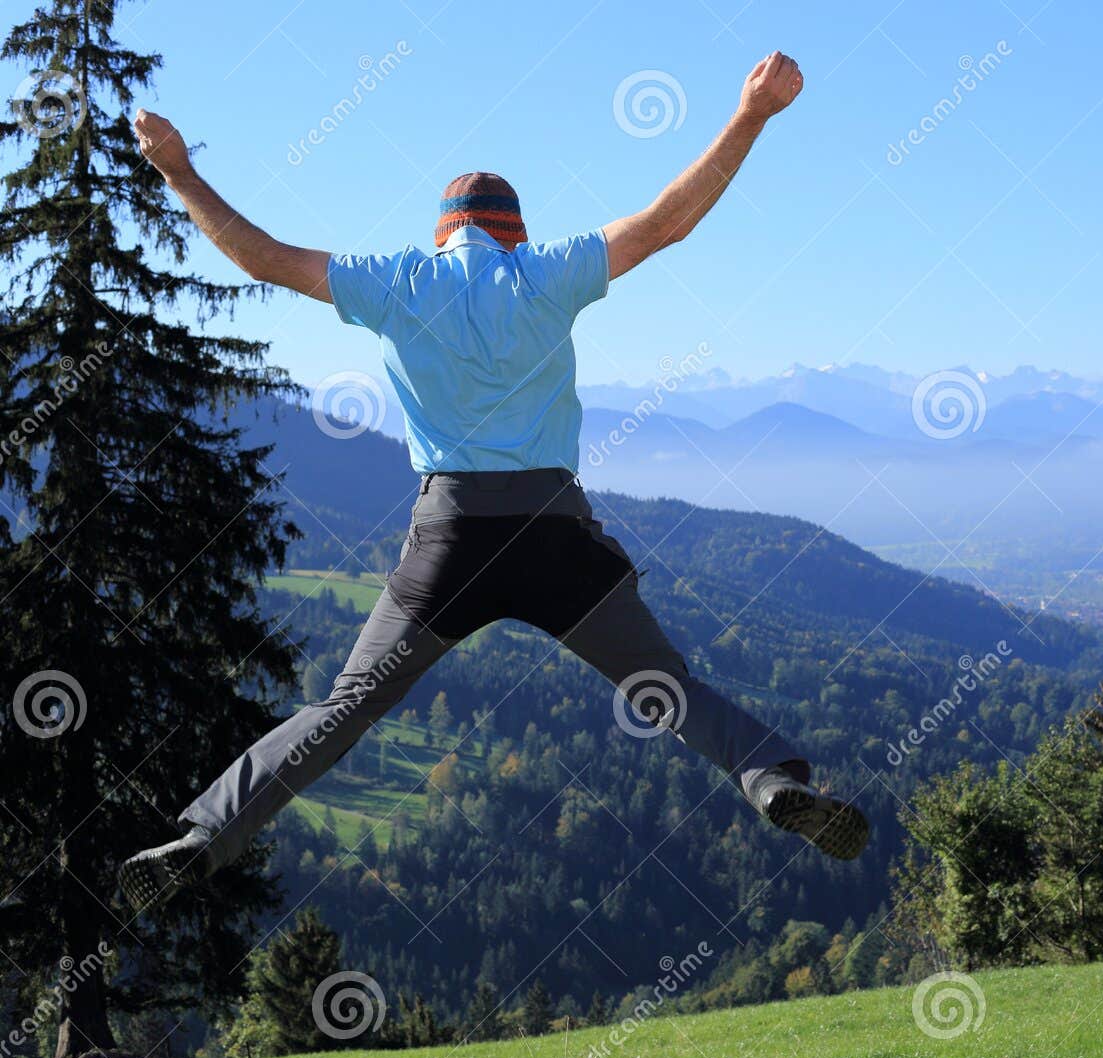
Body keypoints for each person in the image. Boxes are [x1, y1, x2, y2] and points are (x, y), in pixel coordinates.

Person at [119, 52, 869, 913]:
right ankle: (768, 778)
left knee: (349, 704)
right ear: (513, 232)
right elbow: (666, 222)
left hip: (450, 536)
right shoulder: (546, 272)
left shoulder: (398, 281)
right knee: (664, 688)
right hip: (554, 529)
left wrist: (180, 172)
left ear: (445, 231)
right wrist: (752, 115)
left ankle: (207, 834)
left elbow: (262, 258)